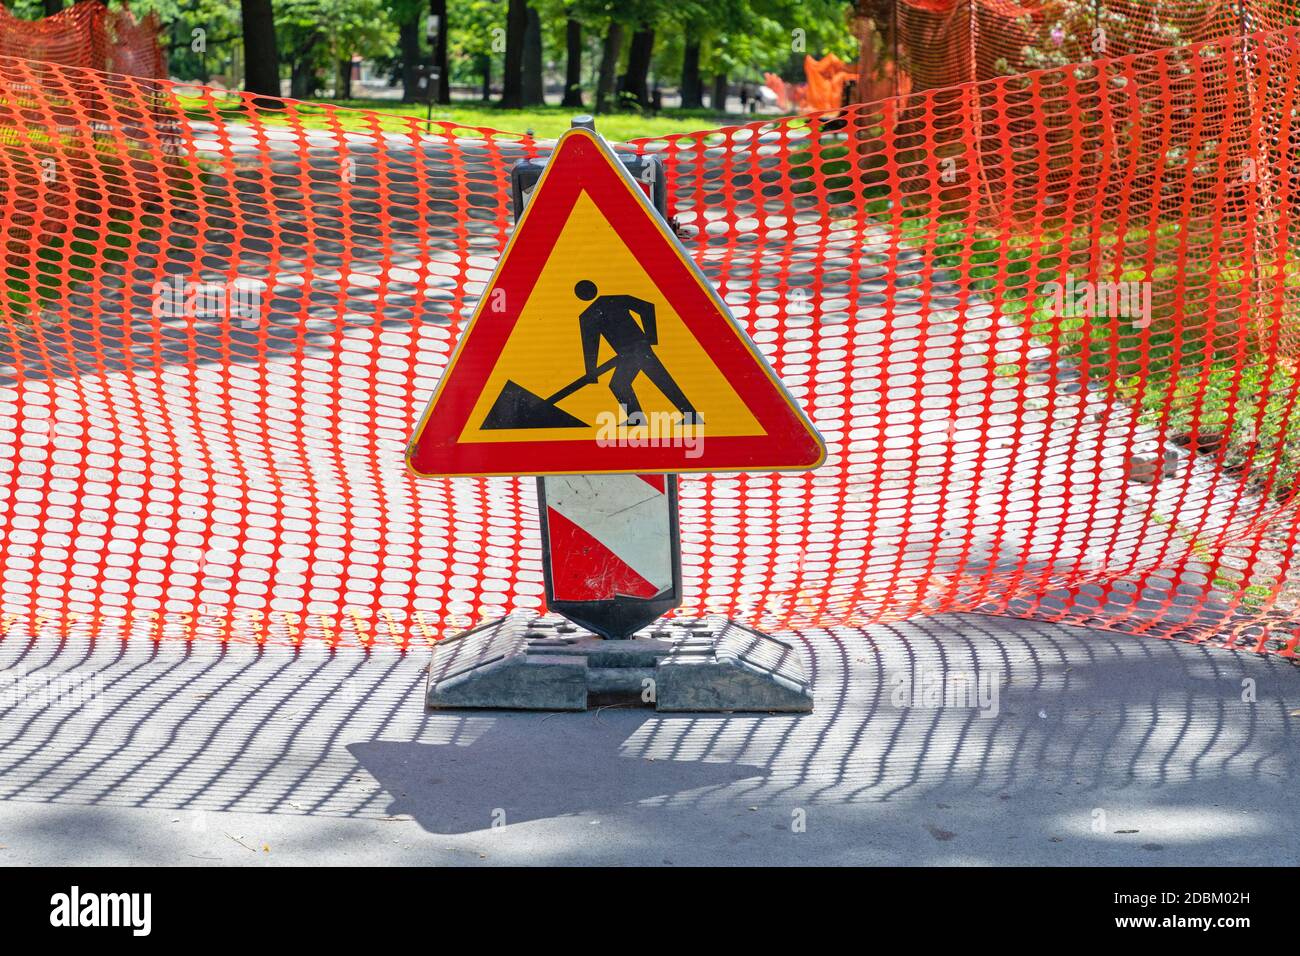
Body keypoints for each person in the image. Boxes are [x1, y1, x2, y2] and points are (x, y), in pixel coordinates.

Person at [574, 280, 700, 425]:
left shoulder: (589, 314)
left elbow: (591, 346)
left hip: (635, 351)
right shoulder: (611, 302)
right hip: (633, 352)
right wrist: (649, 339)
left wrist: (591, 372)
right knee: (654, 380)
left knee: (624, 384)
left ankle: (638, 419)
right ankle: (687, 416)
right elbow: (591, 346)